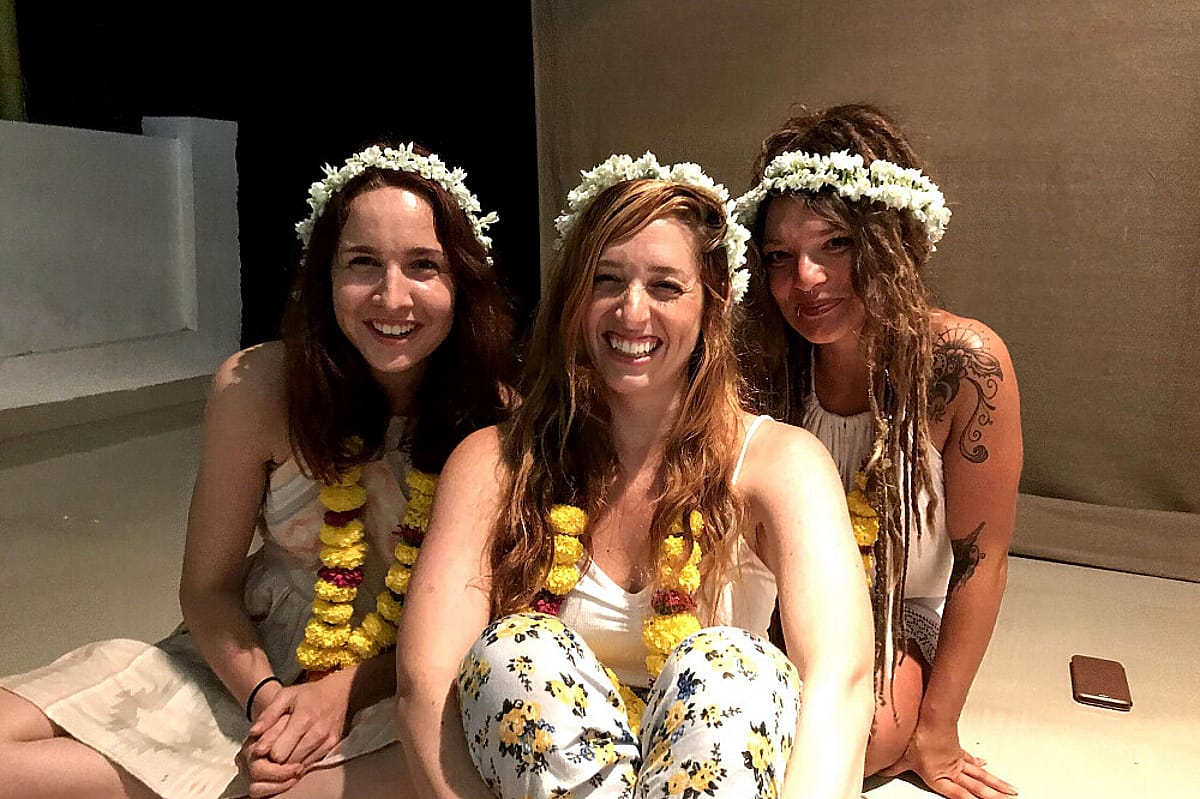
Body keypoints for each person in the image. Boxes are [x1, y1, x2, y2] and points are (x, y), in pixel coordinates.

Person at [0, 142, 517, 798]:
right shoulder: (257, 388)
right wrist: (267, 699)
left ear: (463, 281)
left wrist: (337, 696)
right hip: (243, 663)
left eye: (424, 266)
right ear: (324, 275)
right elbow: (208, 588)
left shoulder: (497, 422)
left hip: (399, 681)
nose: (392, 297)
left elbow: (479, 623)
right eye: (363, 263)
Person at [395, 152, 875, 799]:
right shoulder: (494, 461)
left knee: (737, 666)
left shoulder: (781, 463)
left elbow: (839, 678)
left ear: (714, 300)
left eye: (665, 286)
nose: (631, 311)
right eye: (608, 279)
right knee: (511, 653)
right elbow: (426, 684)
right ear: (574, 295)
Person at [732, 103, 1023, 799]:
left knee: (862, 736)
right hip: (771, 596)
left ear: (890, 239)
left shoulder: (965, 366)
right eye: (780, 257)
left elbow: (982, 561)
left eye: (834, 244)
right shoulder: (760, 356)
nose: (806, 279)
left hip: (894, 604)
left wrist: (938, 728)